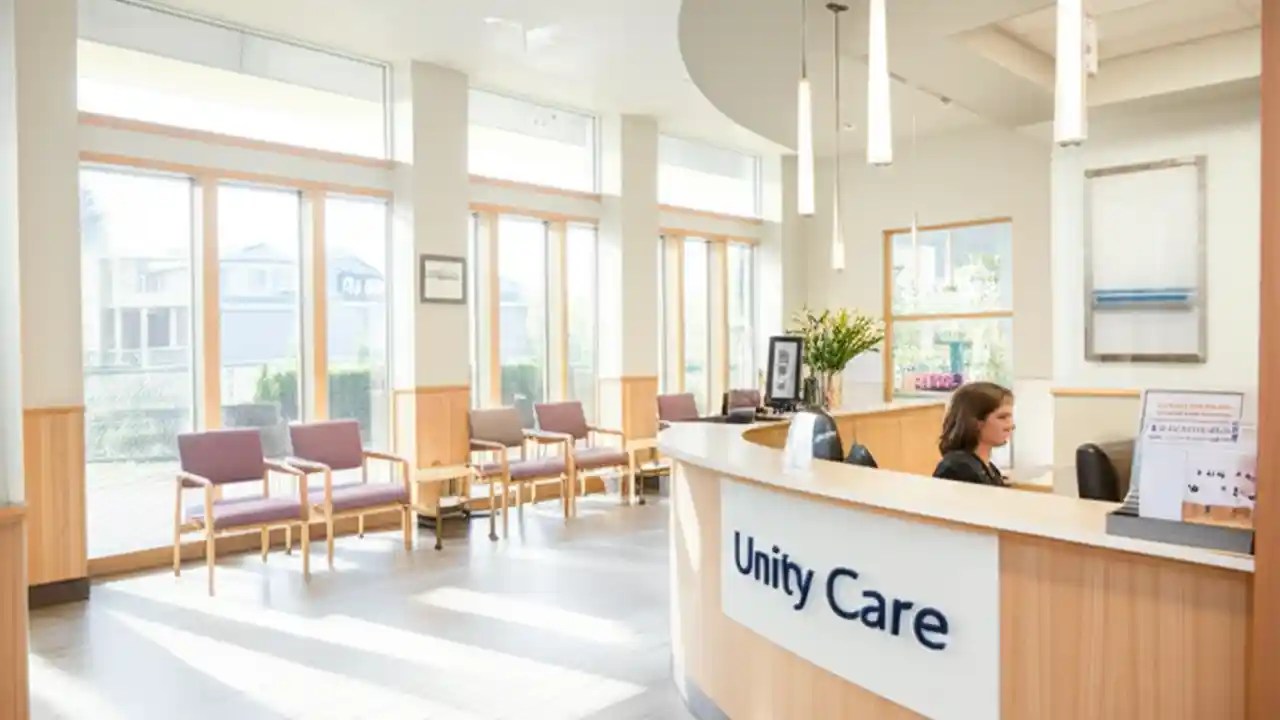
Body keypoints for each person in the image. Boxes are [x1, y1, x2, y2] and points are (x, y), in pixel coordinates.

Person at [932, 382, 1013, 486]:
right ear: (975, 423)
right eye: (1002, 417)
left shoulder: (987, 468)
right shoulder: (959, 469)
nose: (1011, 425)